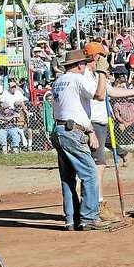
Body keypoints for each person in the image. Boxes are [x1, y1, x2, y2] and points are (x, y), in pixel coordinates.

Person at [82, 42, 134, 222]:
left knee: (99, 165)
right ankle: (98, 205)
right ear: (95, 57)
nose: (105, 60)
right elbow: (102, 95)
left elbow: (111, 91)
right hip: (93, 124)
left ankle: (93, 205)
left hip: (101, 123)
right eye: (102, 56)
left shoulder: (97, 75)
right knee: (98, 165)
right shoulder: (87, 76)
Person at [50, 49, 106, 231]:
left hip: (60, 129)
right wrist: (103, 74)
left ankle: (71, 219)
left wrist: (89, 130)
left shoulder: (59, 81)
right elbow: (100, 95)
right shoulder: (78, 79)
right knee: (90, 174)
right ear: (80, 65)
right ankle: (89, 218)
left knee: (68, 178)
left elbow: (72, 108)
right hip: (72, 132)